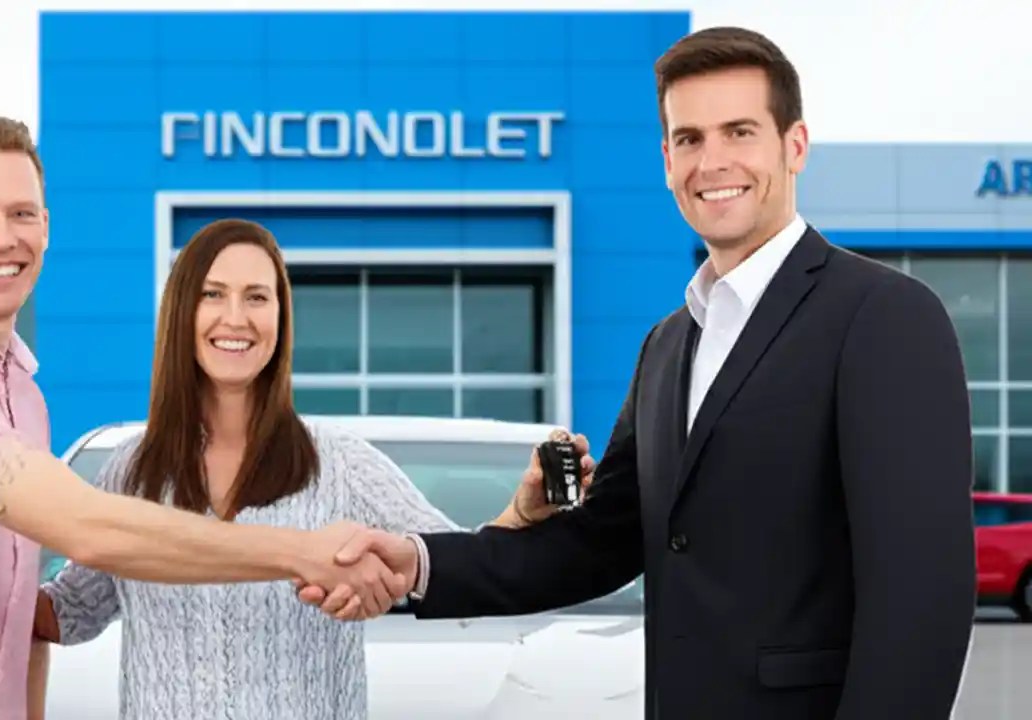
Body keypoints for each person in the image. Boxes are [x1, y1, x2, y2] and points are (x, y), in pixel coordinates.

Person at [300, 26, 977, 720]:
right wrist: (416, 563)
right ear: (665, 159)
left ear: (794, 144)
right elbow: (599, 543)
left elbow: (923, 595)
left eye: (739, 132)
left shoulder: (883, 316)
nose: (711, 162)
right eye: (689, 139)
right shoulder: (668, 345)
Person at [0, 112, 408, 720]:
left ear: (46, 227)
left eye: (21, 213)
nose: (2, 237)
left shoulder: (21, 392)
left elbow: (21, 610)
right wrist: (304, 553)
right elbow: (87, 531)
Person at [25, 218, 587, 720]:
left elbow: (459, 568)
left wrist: (520, 514)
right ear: (181, 312)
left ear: (281, 316)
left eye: (257, 297)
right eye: (212, 294)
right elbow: (68, 611)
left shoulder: (340, 464)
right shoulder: (130, 472)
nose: (235, 317)